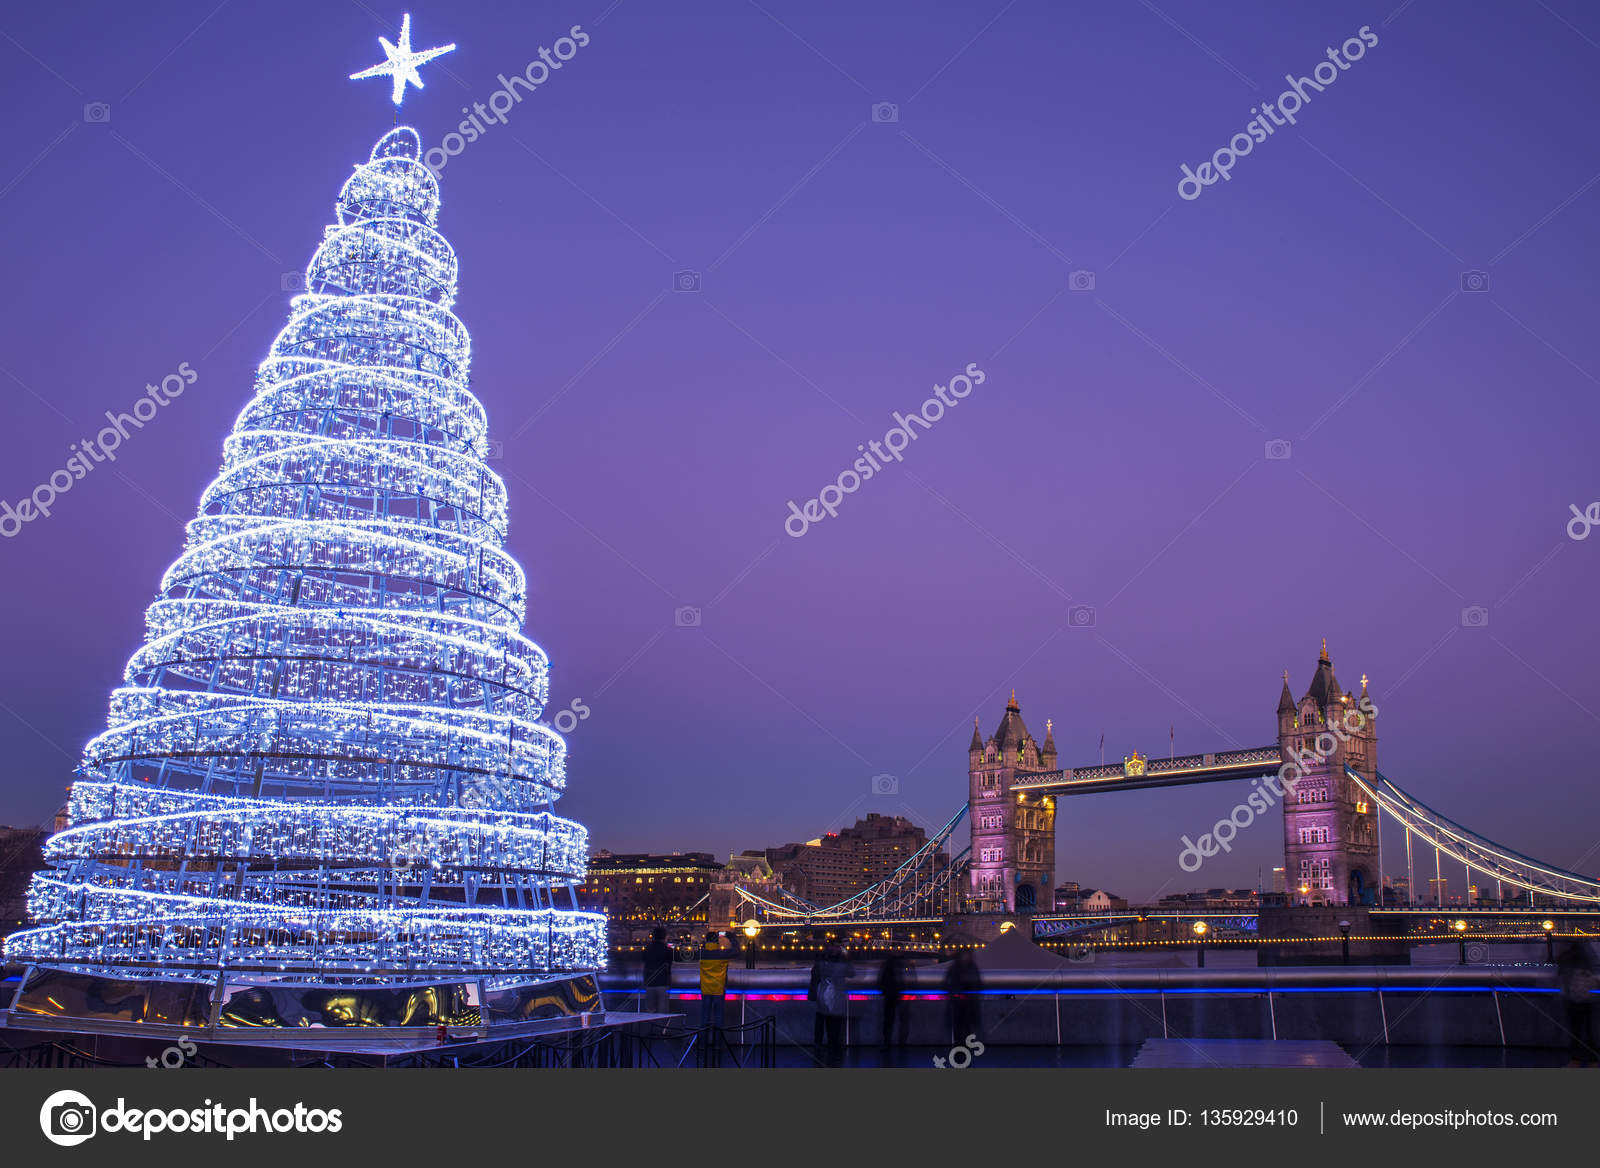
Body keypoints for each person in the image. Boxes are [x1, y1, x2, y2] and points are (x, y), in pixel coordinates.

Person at [814, 942, 855, 1067]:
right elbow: (851, 973)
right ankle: (832, 1051)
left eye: (837, 946)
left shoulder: (822, 959)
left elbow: (815, 973)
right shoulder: (839, 960)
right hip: (832, 996)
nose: (835, 948)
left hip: (825, 995)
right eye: (835, 946)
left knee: (828, 1024)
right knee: (832, 1025)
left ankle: (824, 1050)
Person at [1556, 941, 1597, 1067]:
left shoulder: (1566, 958)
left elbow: (1561, 974)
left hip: (1572, 999)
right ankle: (1592, 1060)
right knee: (1589, 1031)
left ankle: (1576, 1059)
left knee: (1575, 1032)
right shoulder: (1587, 959)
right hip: (1586, 998)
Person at [945, 948, 982, 1049]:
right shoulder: (972, 968)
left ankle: (960, 1049)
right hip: (965, 1002)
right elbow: (978, 983)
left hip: (961, 1002)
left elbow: (947, 983)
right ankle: (964, 1048)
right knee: (963, 1026)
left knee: (963, 1026)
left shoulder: (954, 968)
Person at [697, 931, 731, 1034]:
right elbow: (736, 952)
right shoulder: (722, 954)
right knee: (718, 1018)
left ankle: (702, 1044)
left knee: (704, 1017)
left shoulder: (701, 954)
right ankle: (718, 1045)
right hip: (719, 990)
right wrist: (731, 937)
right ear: (717, 941)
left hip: (706, 989)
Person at [641, 926, 674, 1030]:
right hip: (663, 982)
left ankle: (650, 1029)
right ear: (664, 937)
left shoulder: (647, 950)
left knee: (650, 1009)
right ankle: (661, 1030)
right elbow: (669, 964)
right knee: (663, 1010)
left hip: (649, 981)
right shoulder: (668, 950)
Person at [878, 955, 910, 1050]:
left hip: (890, 995)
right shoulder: (900, 965)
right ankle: (902, 1043)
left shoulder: (887, 965)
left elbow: (882, 980)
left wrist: (883, 991)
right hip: (897, 994)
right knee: (901, 1020)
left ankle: (887, 1043)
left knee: (888, 1021)